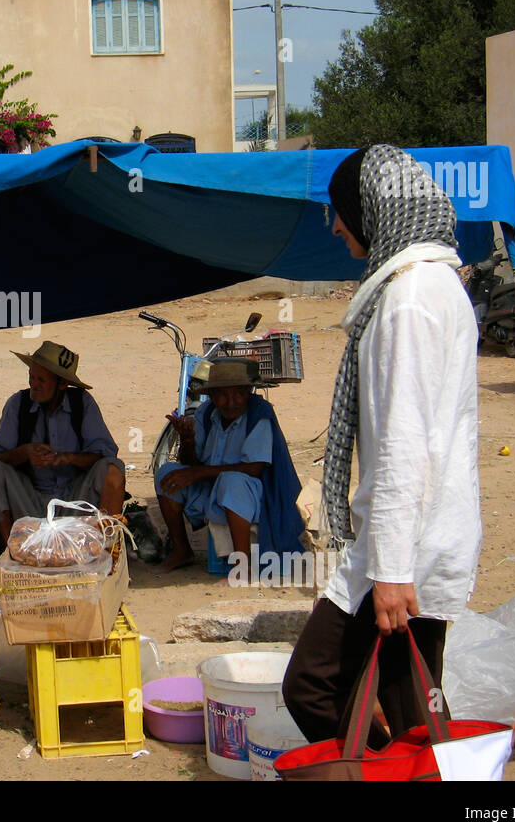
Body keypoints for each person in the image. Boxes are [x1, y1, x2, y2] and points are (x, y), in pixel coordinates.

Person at [282, 144, 481, 747]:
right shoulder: (428, 285)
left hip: (403, 557)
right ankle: (381, 760)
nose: (337, 224)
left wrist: (391, 571)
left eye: (342, 210)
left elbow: (402, 444)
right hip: (416, 541)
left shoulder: (410, 300)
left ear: (373, 211)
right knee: (410, 719)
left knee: (313, 685)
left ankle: (374, 763)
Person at [155, 358, 304, 575]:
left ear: (248, 392)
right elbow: (191, 463)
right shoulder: (206, 412)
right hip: (214, 488)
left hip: (255, 498)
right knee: (167, 474)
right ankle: (182, 550)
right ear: (213, 395)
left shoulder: (259, 414)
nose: (231, 402)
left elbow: (255, 469)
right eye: (223, 395)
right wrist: (187, 440)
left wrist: (199, 472)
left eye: (239, 394)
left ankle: (242, 567)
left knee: (232, 481)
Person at [0, 341, 125, 544]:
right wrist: (24, 453)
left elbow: (105, 452)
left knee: (113, 470)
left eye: (41, 380)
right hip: (30, 501)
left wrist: (66, 458)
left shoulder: (82, 403)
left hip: (76, 500)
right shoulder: (18, 404)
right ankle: (10, 547)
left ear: (62, 384)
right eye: (31, 377)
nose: (33, 385)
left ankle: (107, 548)